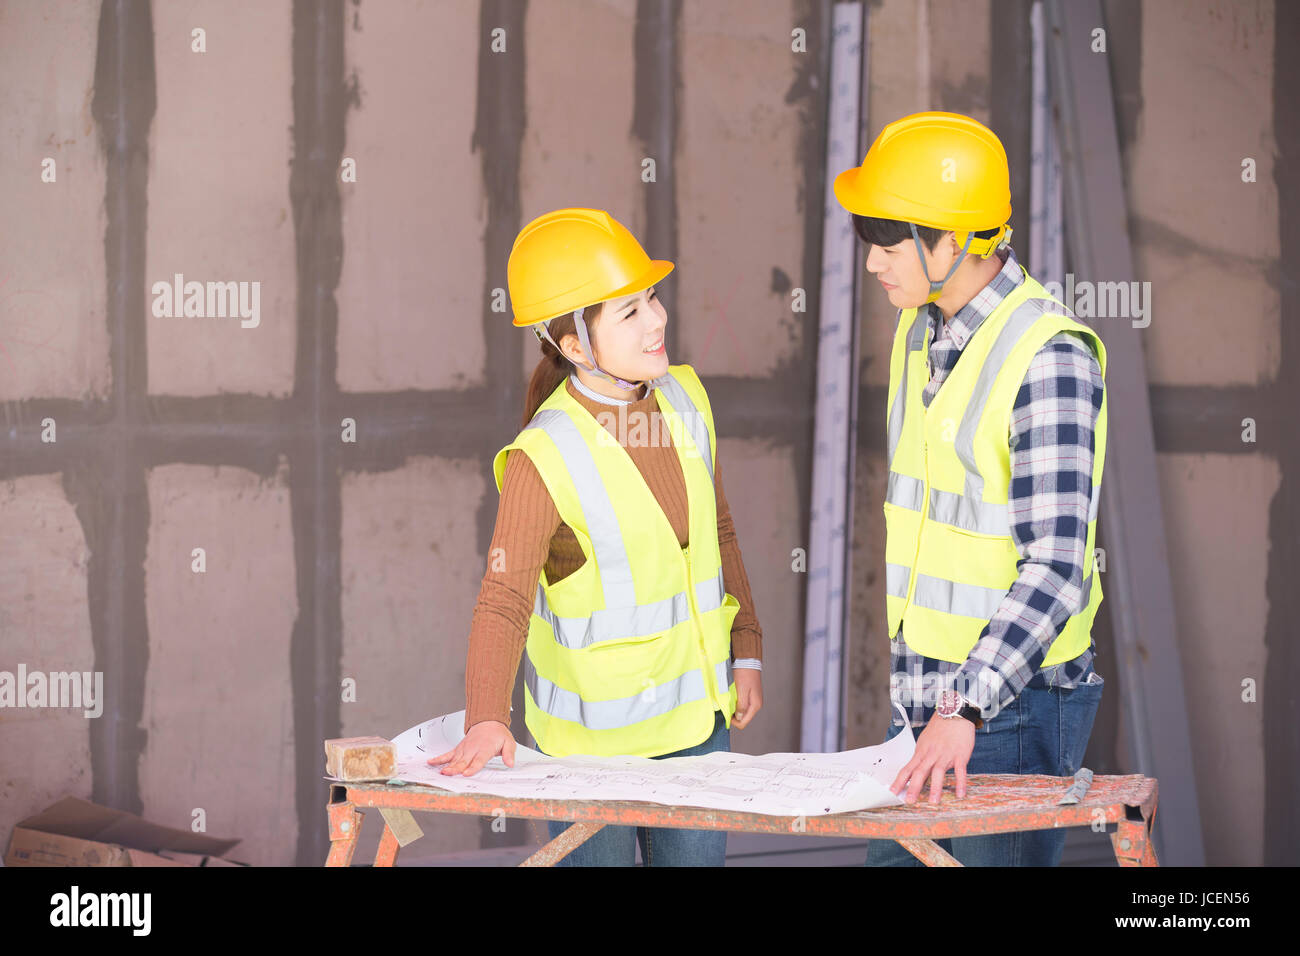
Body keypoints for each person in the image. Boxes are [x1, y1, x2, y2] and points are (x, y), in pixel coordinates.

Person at [429, 207, 765, 866]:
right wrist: (487, 715)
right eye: (630, 312)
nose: (658, 320)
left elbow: (718, 530)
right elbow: (503, 599)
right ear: (576, 346)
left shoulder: (687, 401)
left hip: (696, 730)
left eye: (652, 299)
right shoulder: (544, 455)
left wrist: (745, 649)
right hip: (584, 756)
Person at [833, 112, 1108, 866]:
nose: (872, 265)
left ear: (952, 242)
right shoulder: (922, 331)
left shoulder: (1047, 359)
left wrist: (966, 706)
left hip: (1010, 710)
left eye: (888, 247)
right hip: (924, 703)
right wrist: (930, 705)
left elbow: (1057, 567)